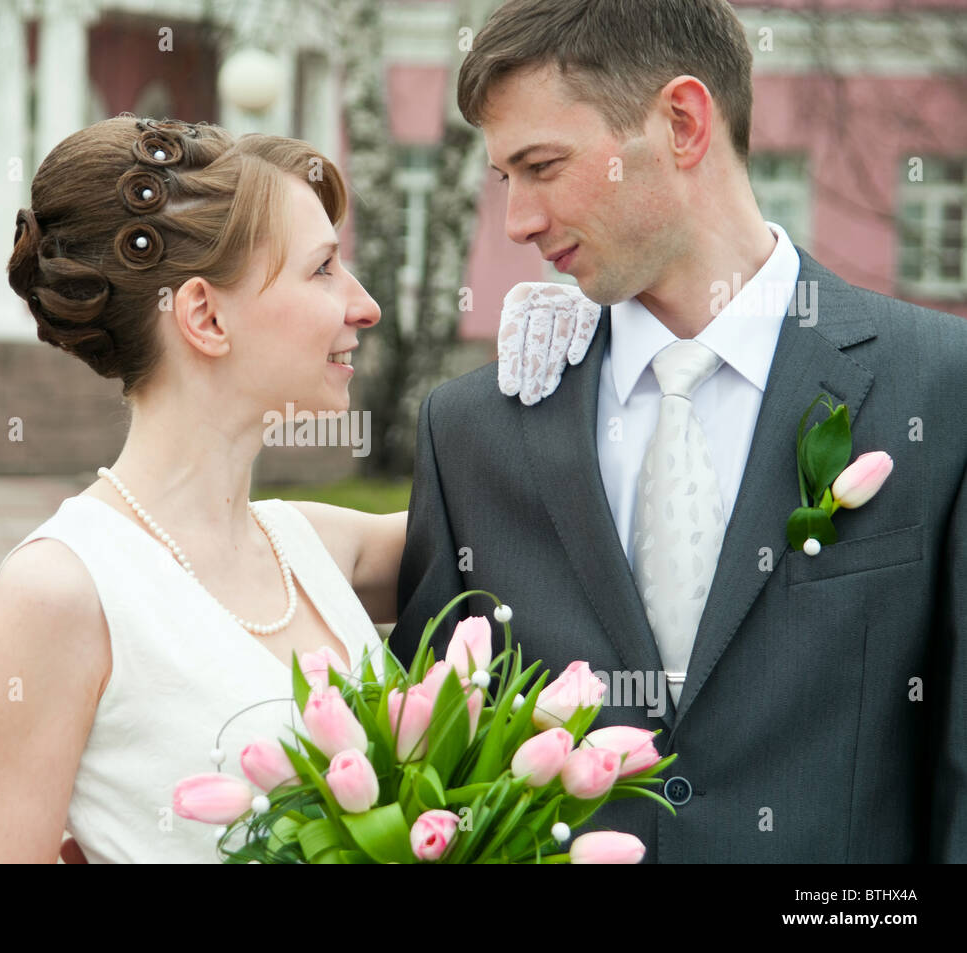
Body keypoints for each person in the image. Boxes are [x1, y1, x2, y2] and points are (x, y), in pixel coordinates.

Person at [390, 0, 965, 863]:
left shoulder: (942, 384)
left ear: (682, 123)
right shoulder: (472, 428)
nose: (517, 220)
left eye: (542, 165)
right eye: (506, 178)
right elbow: (433, 768)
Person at [0, 117, 588, 863]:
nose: (364, 305)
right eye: (322, 269)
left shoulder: (314, 545)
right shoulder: (60, 590)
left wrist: (588, 355)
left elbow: (533, 522)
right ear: (206, 317)